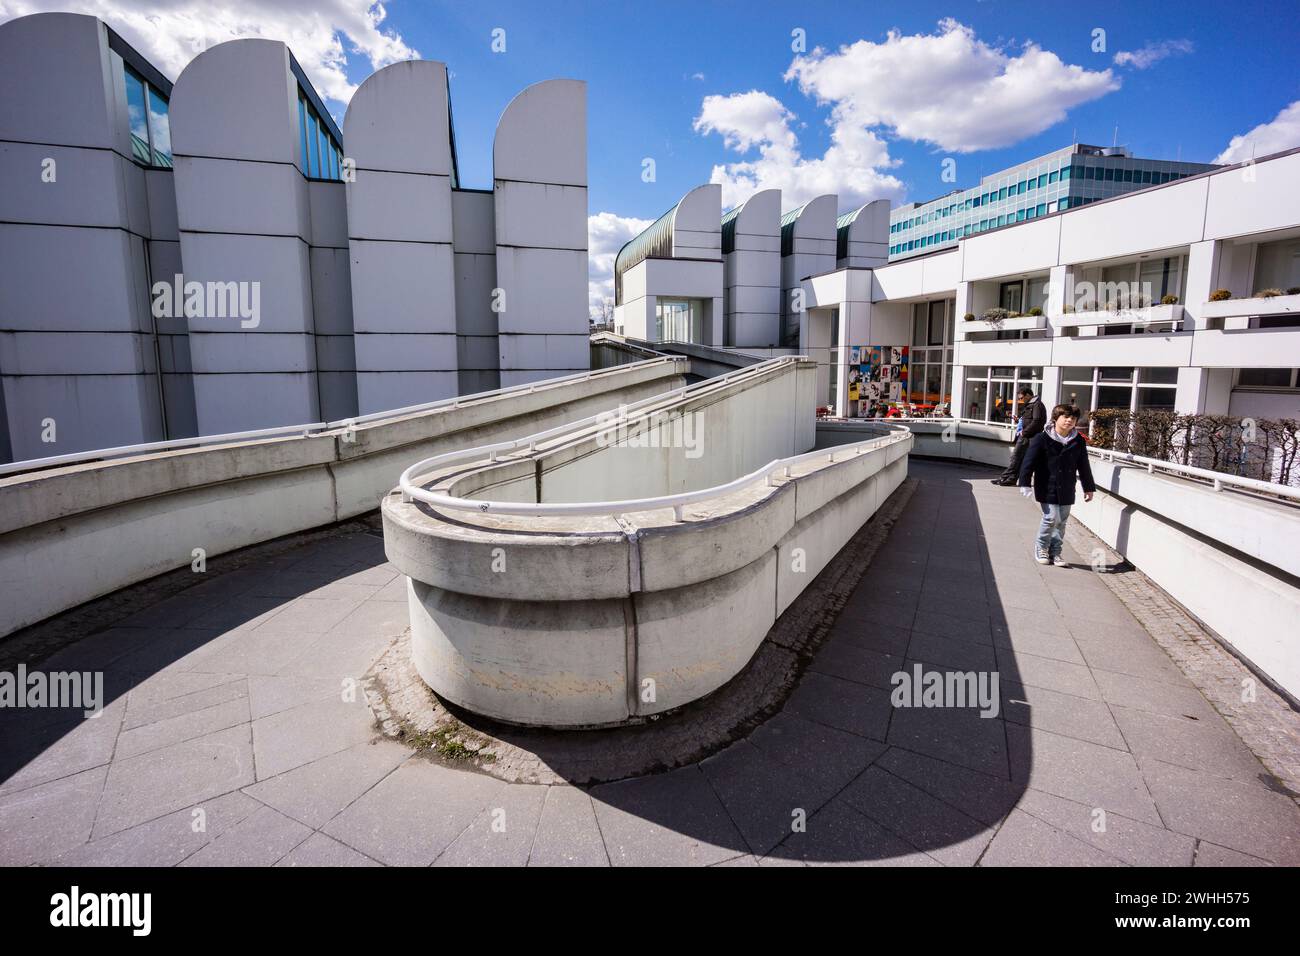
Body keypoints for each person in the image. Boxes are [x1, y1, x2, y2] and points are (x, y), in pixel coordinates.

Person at [1017, 403, 1096, 566]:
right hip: (1047, 486)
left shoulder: (1078, 441)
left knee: (1061, 521)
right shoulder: (1042, 438)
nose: (1069, 421)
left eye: (1073, 418)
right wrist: (1024, 482)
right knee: (1051, 517)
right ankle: (1041, 547)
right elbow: (1028, 461)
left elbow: (1083, 465)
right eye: (1065, 417)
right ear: (1056, 418)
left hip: (1067, 487)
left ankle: (1056, 552)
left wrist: (1088, 487)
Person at [991, 386, 1045, 485]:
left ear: (1028, 395)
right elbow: (1029, 420)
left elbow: (1037, 421)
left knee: (1016, 457)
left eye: (1021, 398)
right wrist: (1018, 420)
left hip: (1028, 436)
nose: (1020, 400)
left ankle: (1005, 478)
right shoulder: (1030, 404)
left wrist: (1024, 432)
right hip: (1026, 435)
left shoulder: (1037, 405)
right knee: (1018, 458)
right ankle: (1010, 479)